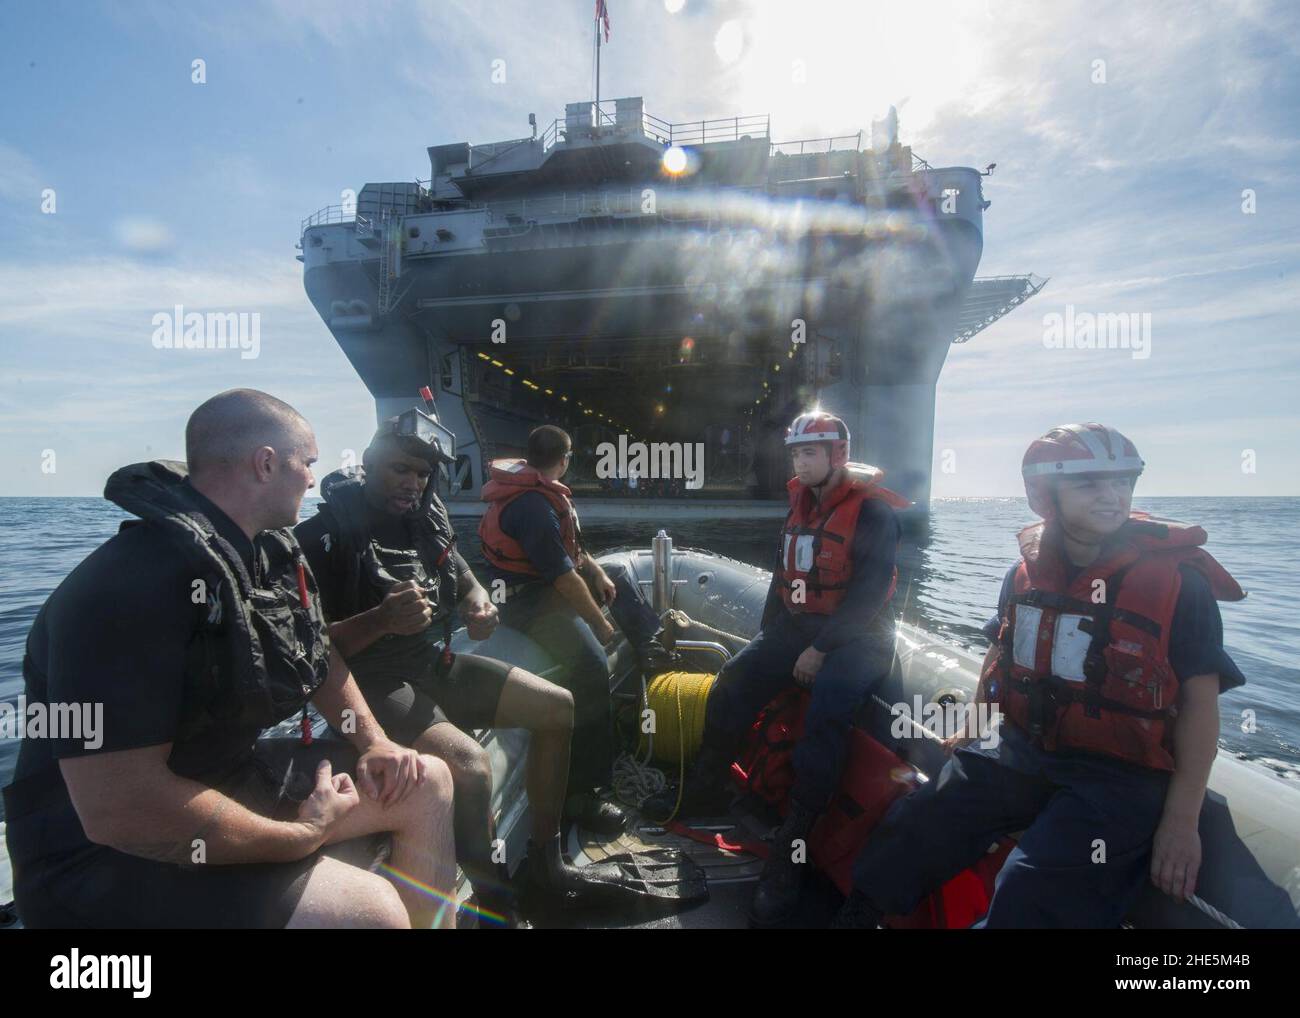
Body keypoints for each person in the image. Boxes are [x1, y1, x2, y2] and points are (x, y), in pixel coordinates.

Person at [2, 389, 457, 929]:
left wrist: (374, 741)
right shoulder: (127, 587)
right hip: (98, 859)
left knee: (427, 781)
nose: (315, 479)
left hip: (226, 779)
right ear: (266, 463)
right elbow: (121, 809)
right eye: (307, 463)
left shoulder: (267, 556)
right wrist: (299, 838)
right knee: (368, 912)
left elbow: (317, 653)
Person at [835, 423, 1247, 929]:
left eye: (1122, 482)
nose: (1112, 496)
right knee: (918, 821)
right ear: (1042, 494)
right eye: (1090, 484)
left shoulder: (1180, 585)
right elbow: (1002, 652)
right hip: (1025, 746)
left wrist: (1181, 821)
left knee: (1031, 890)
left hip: (1120, 775)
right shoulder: (1023, 573)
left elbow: (1202, 704)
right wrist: (980, 718)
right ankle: (860, 913)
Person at [295, 405, 631, 922]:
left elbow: (462, 572)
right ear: (369, 463)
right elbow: (307, 651)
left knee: (558, 707)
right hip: (371, 684)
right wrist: (381, 620)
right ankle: (496, 901)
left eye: (422, 474)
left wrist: (478, 602)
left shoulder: (425, 518)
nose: (411, 483)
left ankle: (546, 864)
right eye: (399, 470)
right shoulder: (321, 538)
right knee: (470, 766)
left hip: (430, 661)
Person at [642, 410, 907, 927]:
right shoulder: (801, 505)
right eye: (796, 453)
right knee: (734, 681)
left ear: (838, 455)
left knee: (829, 707)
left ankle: (795, 841)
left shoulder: (874, 513)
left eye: (810, 452)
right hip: (800, 625)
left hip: (861, 635)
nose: (800, 461)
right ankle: (710, 782)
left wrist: (822, 649)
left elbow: (870, 595)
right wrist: (767, 638)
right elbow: (781, 579)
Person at [477, 425, 673, 834]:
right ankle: (584, 794)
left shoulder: (540, 494)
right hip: (528, 604)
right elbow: (564, 578)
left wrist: (599, 573)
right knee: (590, 668)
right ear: (564, 459)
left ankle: (651, 649)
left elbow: (576, 555)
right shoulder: (533, 507)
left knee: (616, 571)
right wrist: (601, 625)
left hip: (543, 587)